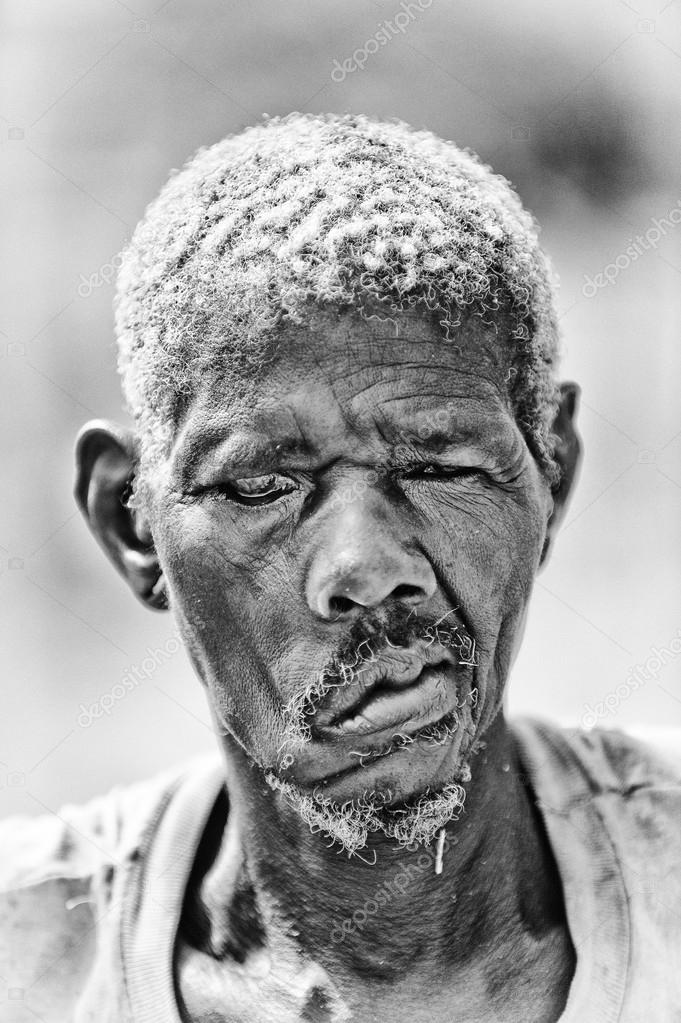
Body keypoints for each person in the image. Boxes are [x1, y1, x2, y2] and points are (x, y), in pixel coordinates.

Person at [2, 113, 680, 1023]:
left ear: (549, 472)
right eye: (261, 485)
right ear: (129, 522)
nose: (363, 566)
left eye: (439, 467)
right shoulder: (30, 959)